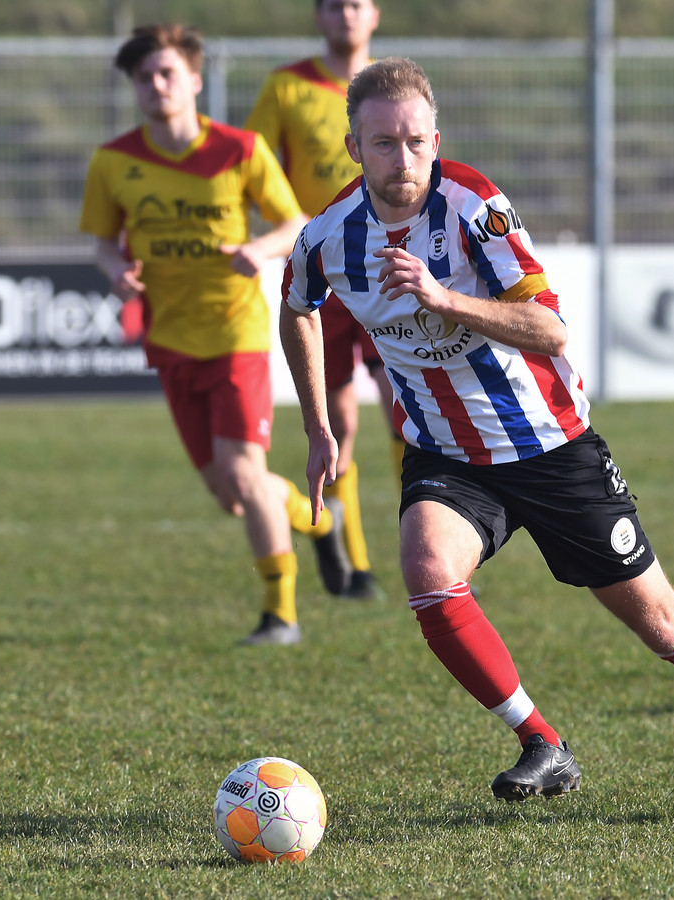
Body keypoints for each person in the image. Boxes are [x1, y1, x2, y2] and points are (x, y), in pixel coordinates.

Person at [279, 57, 674, 820]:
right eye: (384, 143)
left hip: (550, 445)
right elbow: (296, 306)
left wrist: (443, 298)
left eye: (416, 141)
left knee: (661, 622)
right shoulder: (329, 235)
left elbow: (551, 330)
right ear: (353, 147)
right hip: (447, 454)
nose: (403, 158)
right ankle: (540, 742)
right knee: (427, 570)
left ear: (436, 141)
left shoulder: (475, 207)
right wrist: (317, 426)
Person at [80, 23, 340, 646]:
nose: (156, 85)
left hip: (236, 333)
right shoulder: (114, 162)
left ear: (195, 81)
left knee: (243, 472)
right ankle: (318, 521)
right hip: (171, 338)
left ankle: (280, 616)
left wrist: (258, 250)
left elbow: (294, 223)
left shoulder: (239, 149)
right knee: (231, 492)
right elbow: (103, 244)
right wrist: (116, 272)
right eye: (144, 77)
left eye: (167, 73)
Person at [244, 0, 395, 601]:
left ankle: (437, 549)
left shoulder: (394, 85)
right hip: (325, 274)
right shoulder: (287, 88)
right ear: (319, 17)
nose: (345, 15)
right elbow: (249, 165)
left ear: (375, 14)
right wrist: (290, 228)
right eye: (333, 5)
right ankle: (353, 563)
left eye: (356, 4)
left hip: (389, 268)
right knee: (341, 421)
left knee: (407, 410)